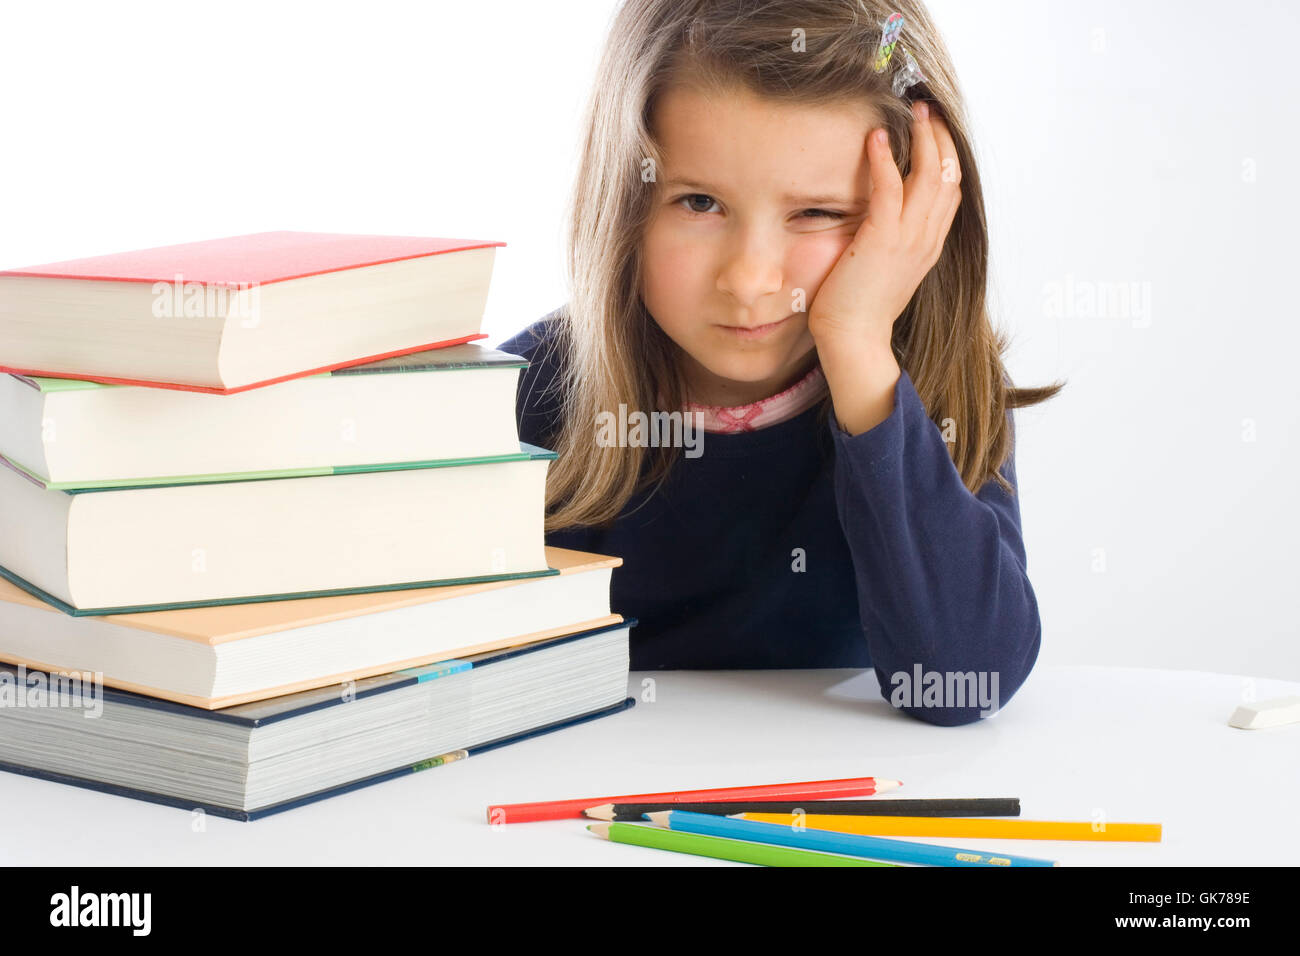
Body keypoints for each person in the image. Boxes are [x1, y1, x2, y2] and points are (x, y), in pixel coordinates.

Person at [497, 0, 1065, 725]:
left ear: (918, 213)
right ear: (624, 197)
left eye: (819, 213)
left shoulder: (929, 385)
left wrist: (858, 342)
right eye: (700, 202)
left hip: (831, 817)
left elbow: (967, 680)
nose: (751, 279)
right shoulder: (517, 402)